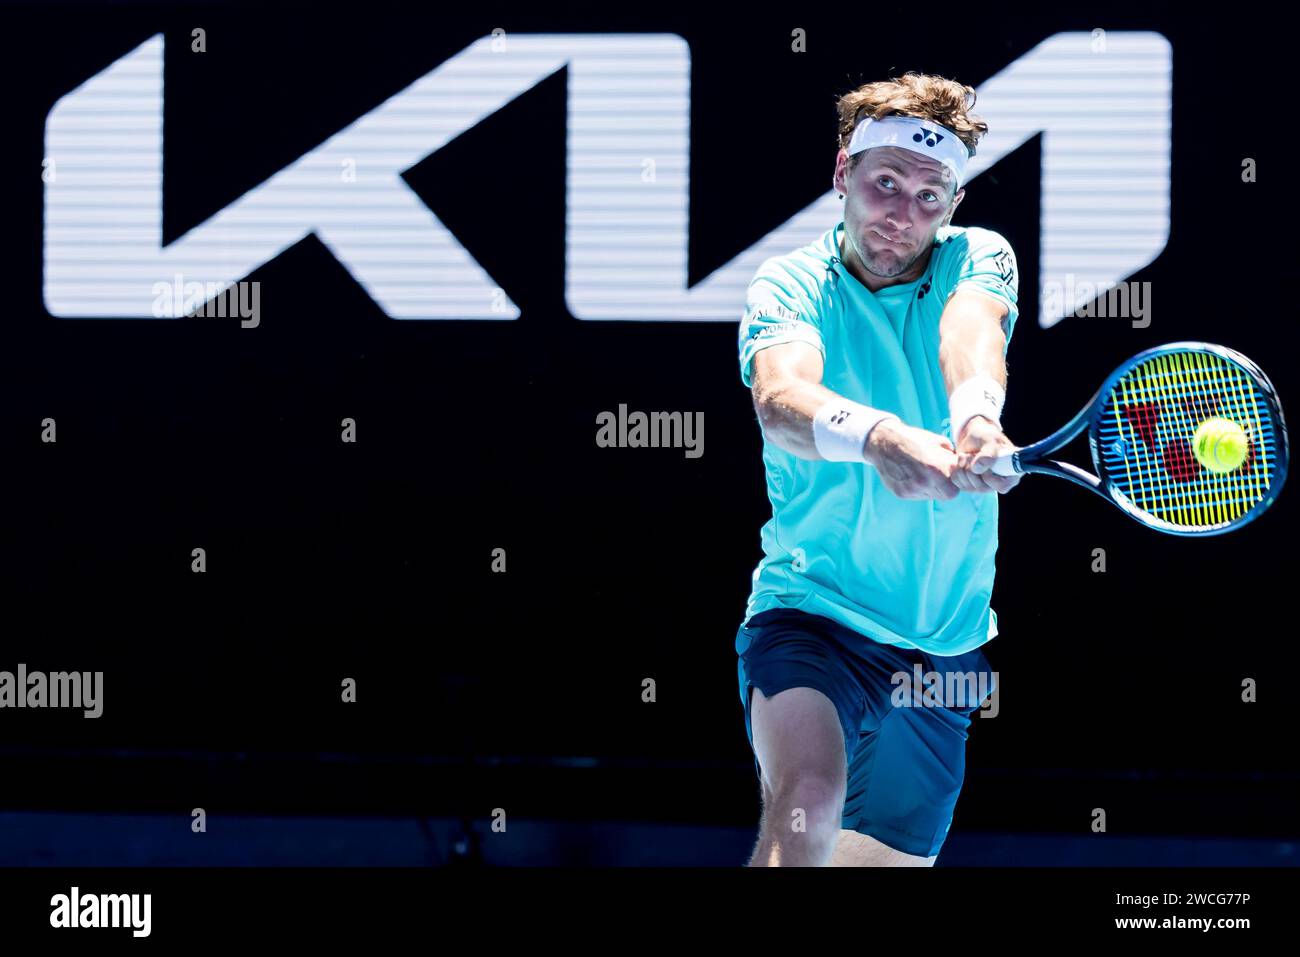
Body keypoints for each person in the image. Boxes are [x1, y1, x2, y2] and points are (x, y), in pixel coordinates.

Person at [736, 72, 1022, 866]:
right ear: (842, 177)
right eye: (885, 184)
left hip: (943, 651)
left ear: (953, 204)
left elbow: (971, 331)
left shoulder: (976, 258)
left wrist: (973, 417)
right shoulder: (791, 283)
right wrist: (882, 438)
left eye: (930, 195)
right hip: (812, 616)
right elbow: (781, 397)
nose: (903, 215)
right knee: (808, 798)